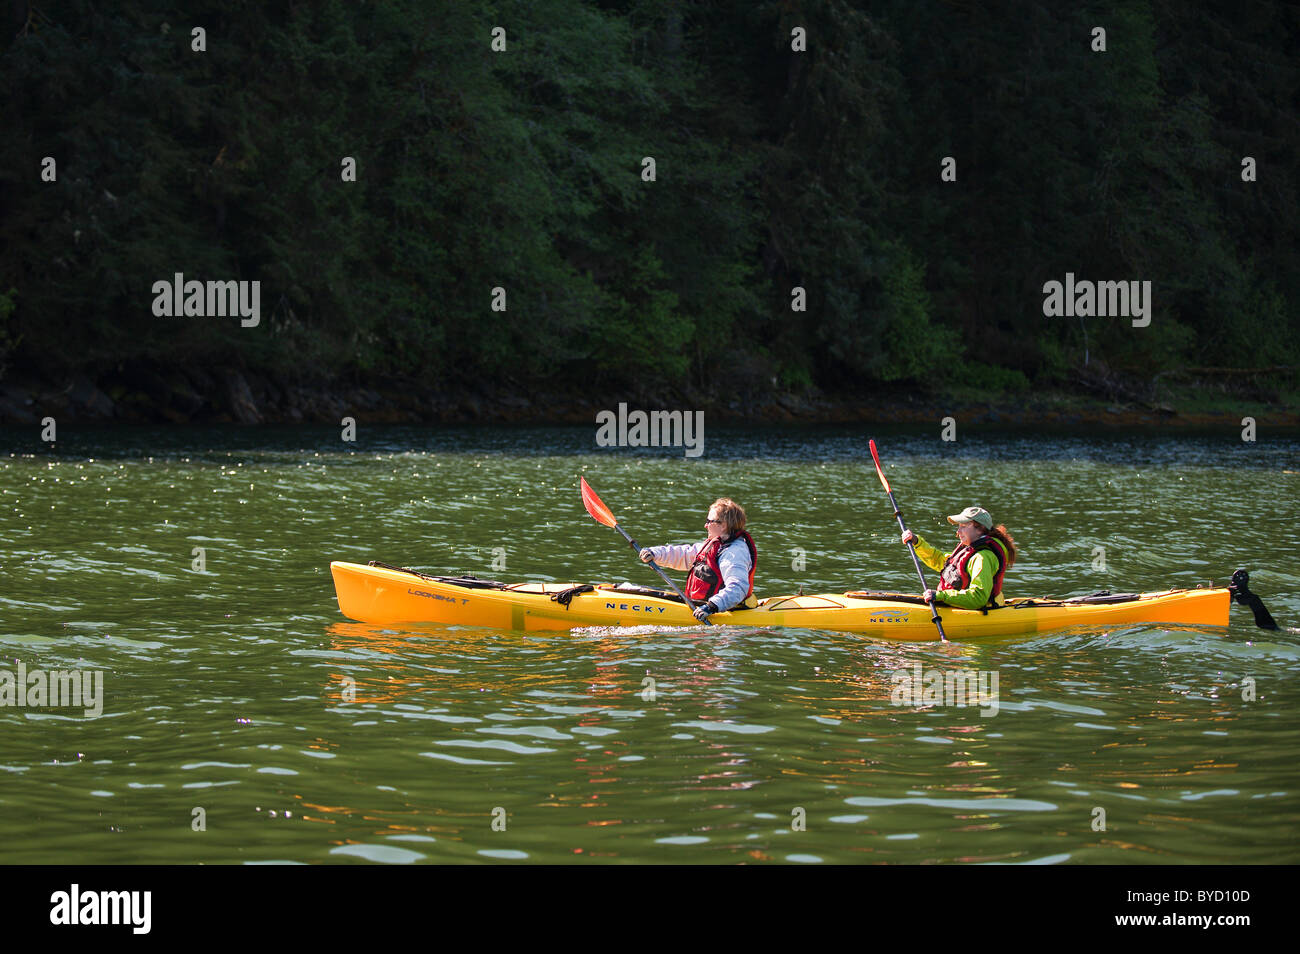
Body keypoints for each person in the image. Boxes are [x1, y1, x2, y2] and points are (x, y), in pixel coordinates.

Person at [639, 498, 757, 621]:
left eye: (709, 521)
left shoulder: (734, 553)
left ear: (723, 525)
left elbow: (738, 588)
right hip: (702, 607)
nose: (705, 525)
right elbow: (684, 554)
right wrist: (655, 553)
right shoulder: (715, 544)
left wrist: (711, 606)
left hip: (718, 610)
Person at [900, 506, 1018, 610]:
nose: (958, 531)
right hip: (958, 606)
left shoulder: (982, 558)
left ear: (980, 529)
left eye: (963, 526)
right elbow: (940, 561)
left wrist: (940, 596)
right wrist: (917, 542)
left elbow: (978, 597)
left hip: (982, 611)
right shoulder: (968, 550)